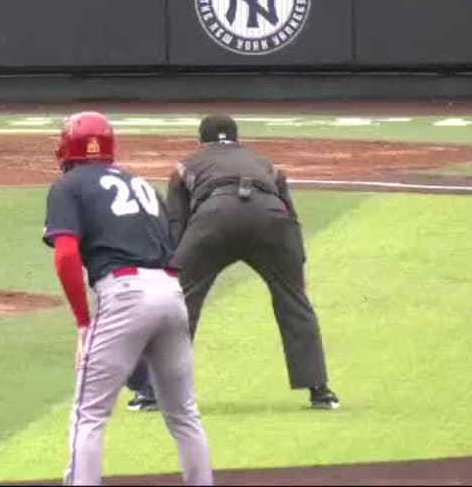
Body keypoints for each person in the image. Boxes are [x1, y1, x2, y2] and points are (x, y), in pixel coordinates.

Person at [124, 116, 340, 412]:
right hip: (272, 218)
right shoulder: (266, 164)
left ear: (201, 141)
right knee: (294, 302)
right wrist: (296, 266)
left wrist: (171, 271)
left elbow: (177, 225)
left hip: (215, 218)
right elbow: (291, 214)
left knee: (178, 304)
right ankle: (320, 392)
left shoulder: (186, 165)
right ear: (238, 139)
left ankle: (152, 392)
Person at [42, 111, 213, 487]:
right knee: (184, 413)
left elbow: (67, 255)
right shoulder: (141, 184)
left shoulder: (69, 186)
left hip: (125, 293)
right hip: (170, 291)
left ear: (67, 148)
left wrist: (83, 322)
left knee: (89, 414)